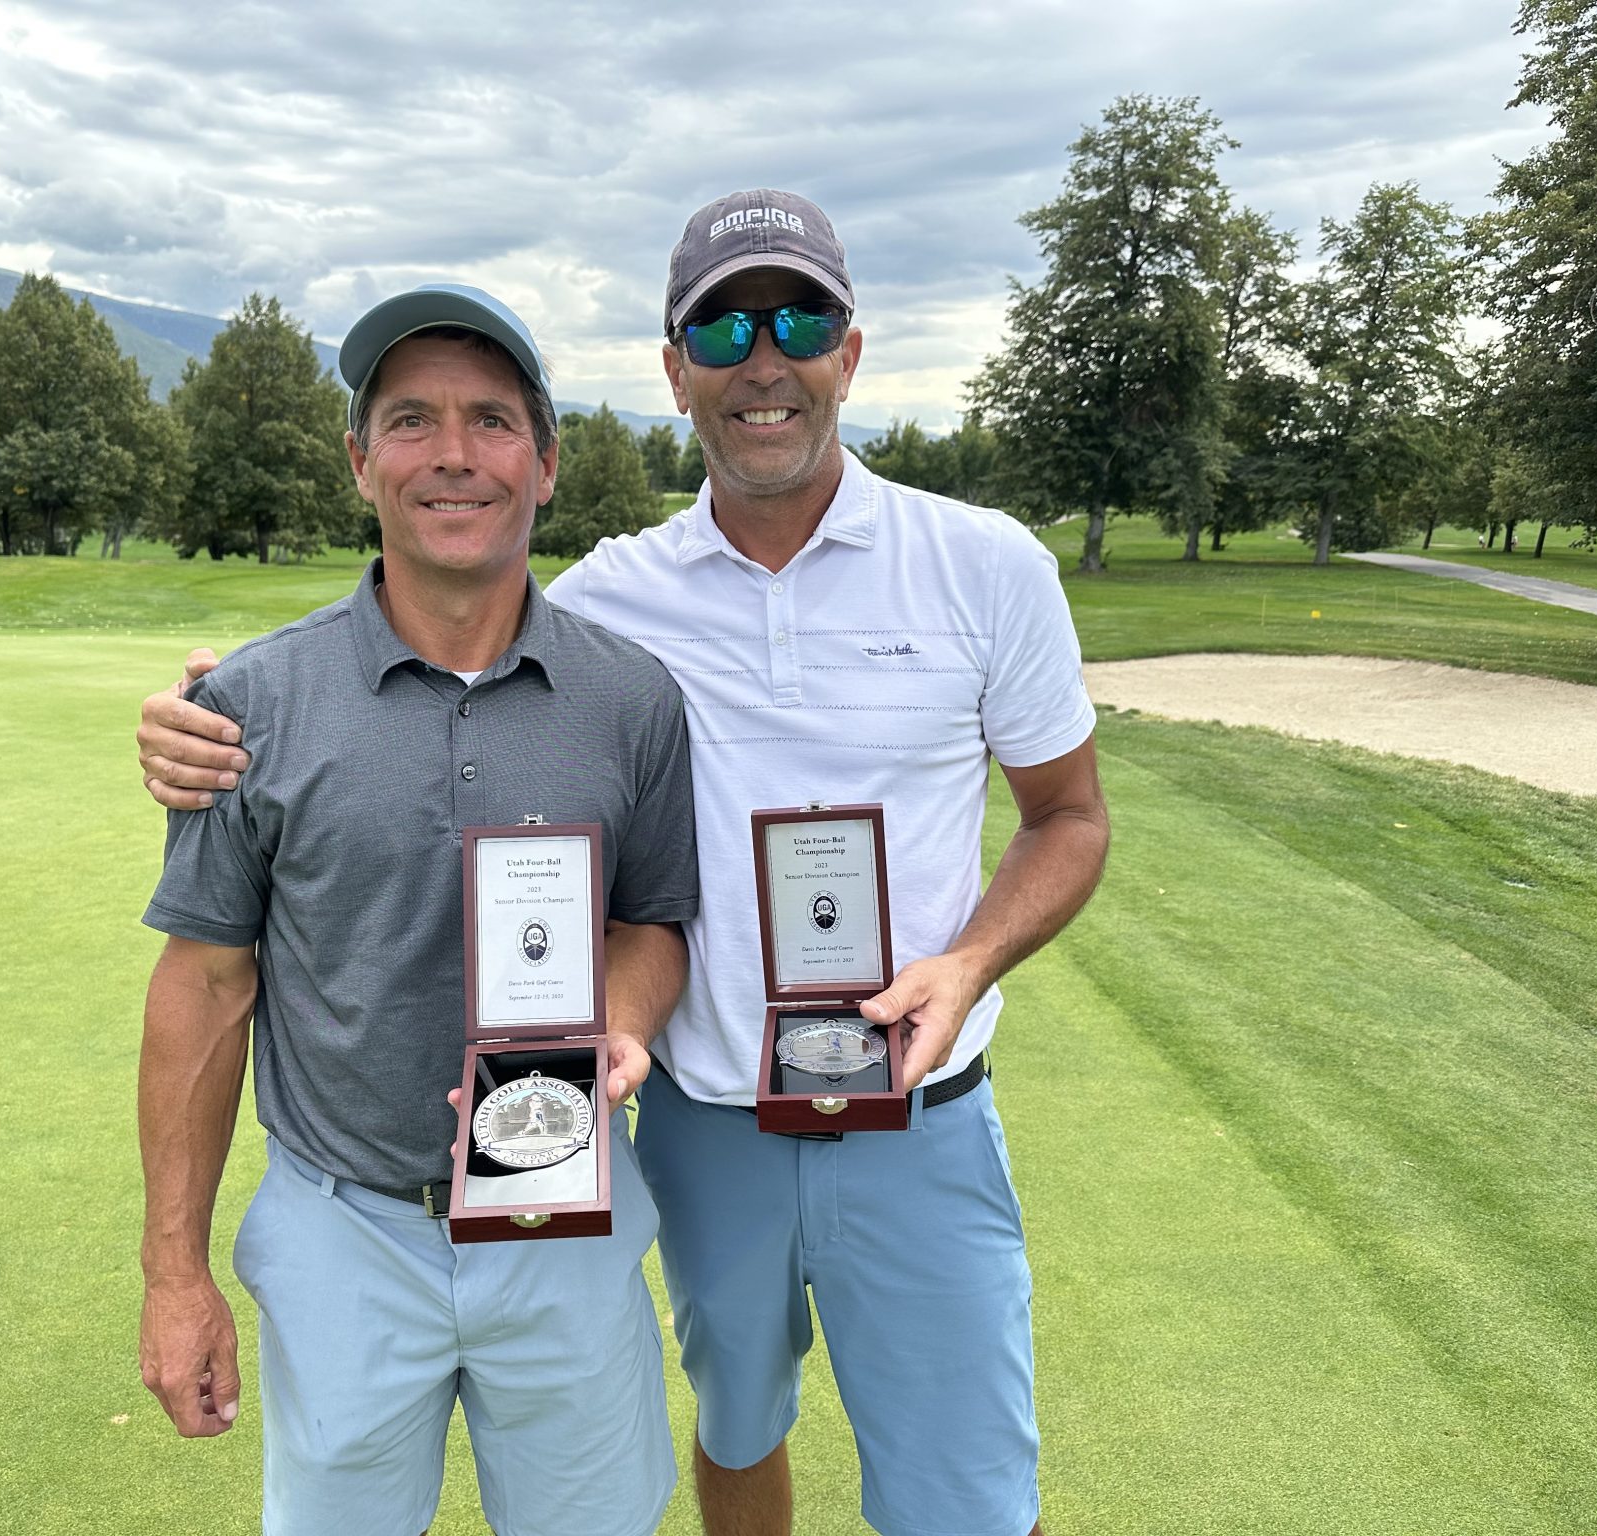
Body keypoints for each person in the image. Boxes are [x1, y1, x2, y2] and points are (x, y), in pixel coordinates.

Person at [138, 192, 1109, 1536]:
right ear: (673, 371)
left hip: (918, 1116)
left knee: (969, 1498)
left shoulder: (984, 567)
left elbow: (1070, 819)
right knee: (735, 1426)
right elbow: (438, 616)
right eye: (722, 325)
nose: (762, 357)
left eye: (797, 318)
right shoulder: (613, 597)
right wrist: (213, 708)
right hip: (703, 1127)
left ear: (851, 348)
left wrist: (967, 960)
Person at [136, 283, 698, 1536]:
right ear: (358, 459)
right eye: (411, 420)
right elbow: (206, 988)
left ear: (546, 464)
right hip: (347, 1229)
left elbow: (653, 921)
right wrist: (172, 1271)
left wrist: (622, 1022)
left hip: (565, 1220)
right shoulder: (246, 705)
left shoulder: (631, 700)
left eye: (492, 421)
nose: (453, 455)